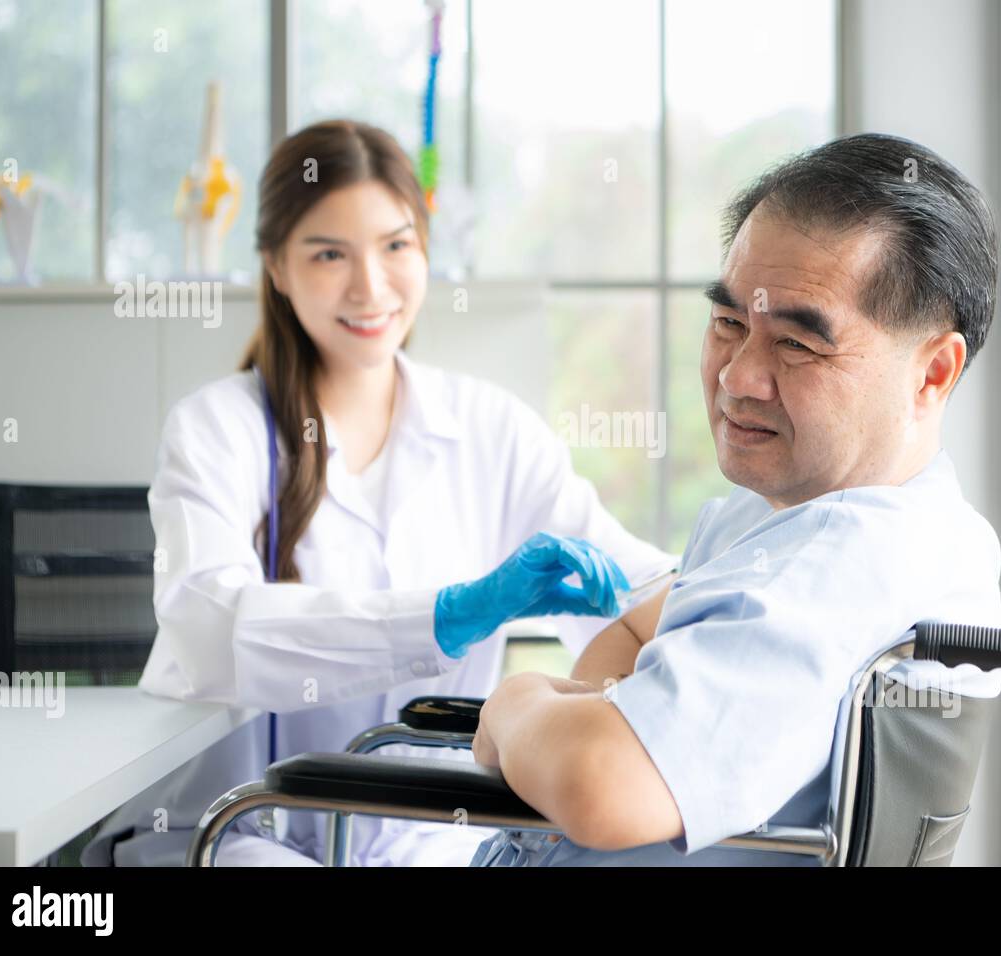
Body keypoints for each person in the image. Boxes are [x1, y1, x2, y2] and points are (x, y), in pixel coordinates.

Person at [82, 119, 674, 867]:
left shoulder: (491, 430)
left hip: (426, 837)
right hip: (234, 831)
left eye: (396, 245)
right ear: (274, 265)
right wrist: (445, 618)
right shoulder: (215, 429)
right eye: (329, 254)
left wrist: (733, 603)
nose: (370, 286)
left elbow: (628, 583)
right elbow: (208, 624)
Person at [467, 132, 1001, 866]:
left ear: (932, 374)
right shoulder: (798, 516)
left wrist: (520, 702)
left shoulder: (850, 559)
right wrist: (587, 724)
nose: (738, 377)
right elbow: (630, 633)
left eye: (797, 345)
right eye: (728, 324)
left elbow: (601, 785)